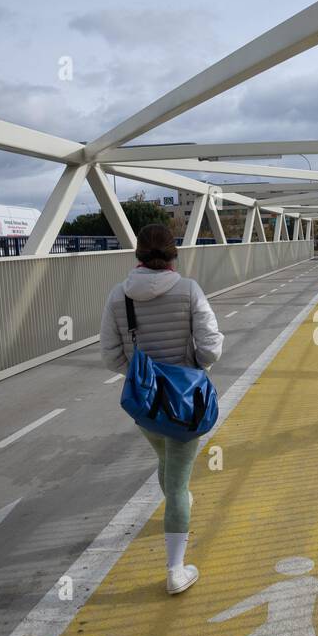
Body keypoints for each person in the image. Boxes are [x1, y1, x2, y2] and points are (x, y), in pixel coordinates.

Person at [100, 223, 223, 595]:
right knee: (179, 480)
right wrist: (191, 367)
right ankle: (175, 570)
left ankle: (175, 507)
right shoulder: (189, 290)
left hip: (145, 407)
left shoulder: (118, 297)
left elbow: (111, 355)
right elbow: (210, 348)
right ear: (174, 255)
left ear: (137, 255)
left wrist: (143, 376)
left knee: (167, 464)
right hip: (185, 406)